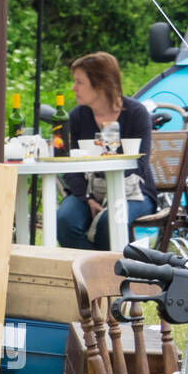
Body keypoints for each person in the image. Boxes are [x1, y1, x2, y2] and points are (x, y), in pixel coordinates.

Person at [57, 52, 157, 250]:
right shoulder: (77, 116)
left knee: (109, 222)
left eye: (79, 82)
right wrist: (88, 198)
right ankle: (90, 274)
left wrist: (110, 196)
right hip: (89, 191)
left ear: (100, 84)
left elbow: (139, 164)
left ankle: (107, 274)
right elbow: (68, 163)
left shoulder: (135, 113)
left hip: (133, 192)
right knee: (65, 221)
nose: (73, 88)